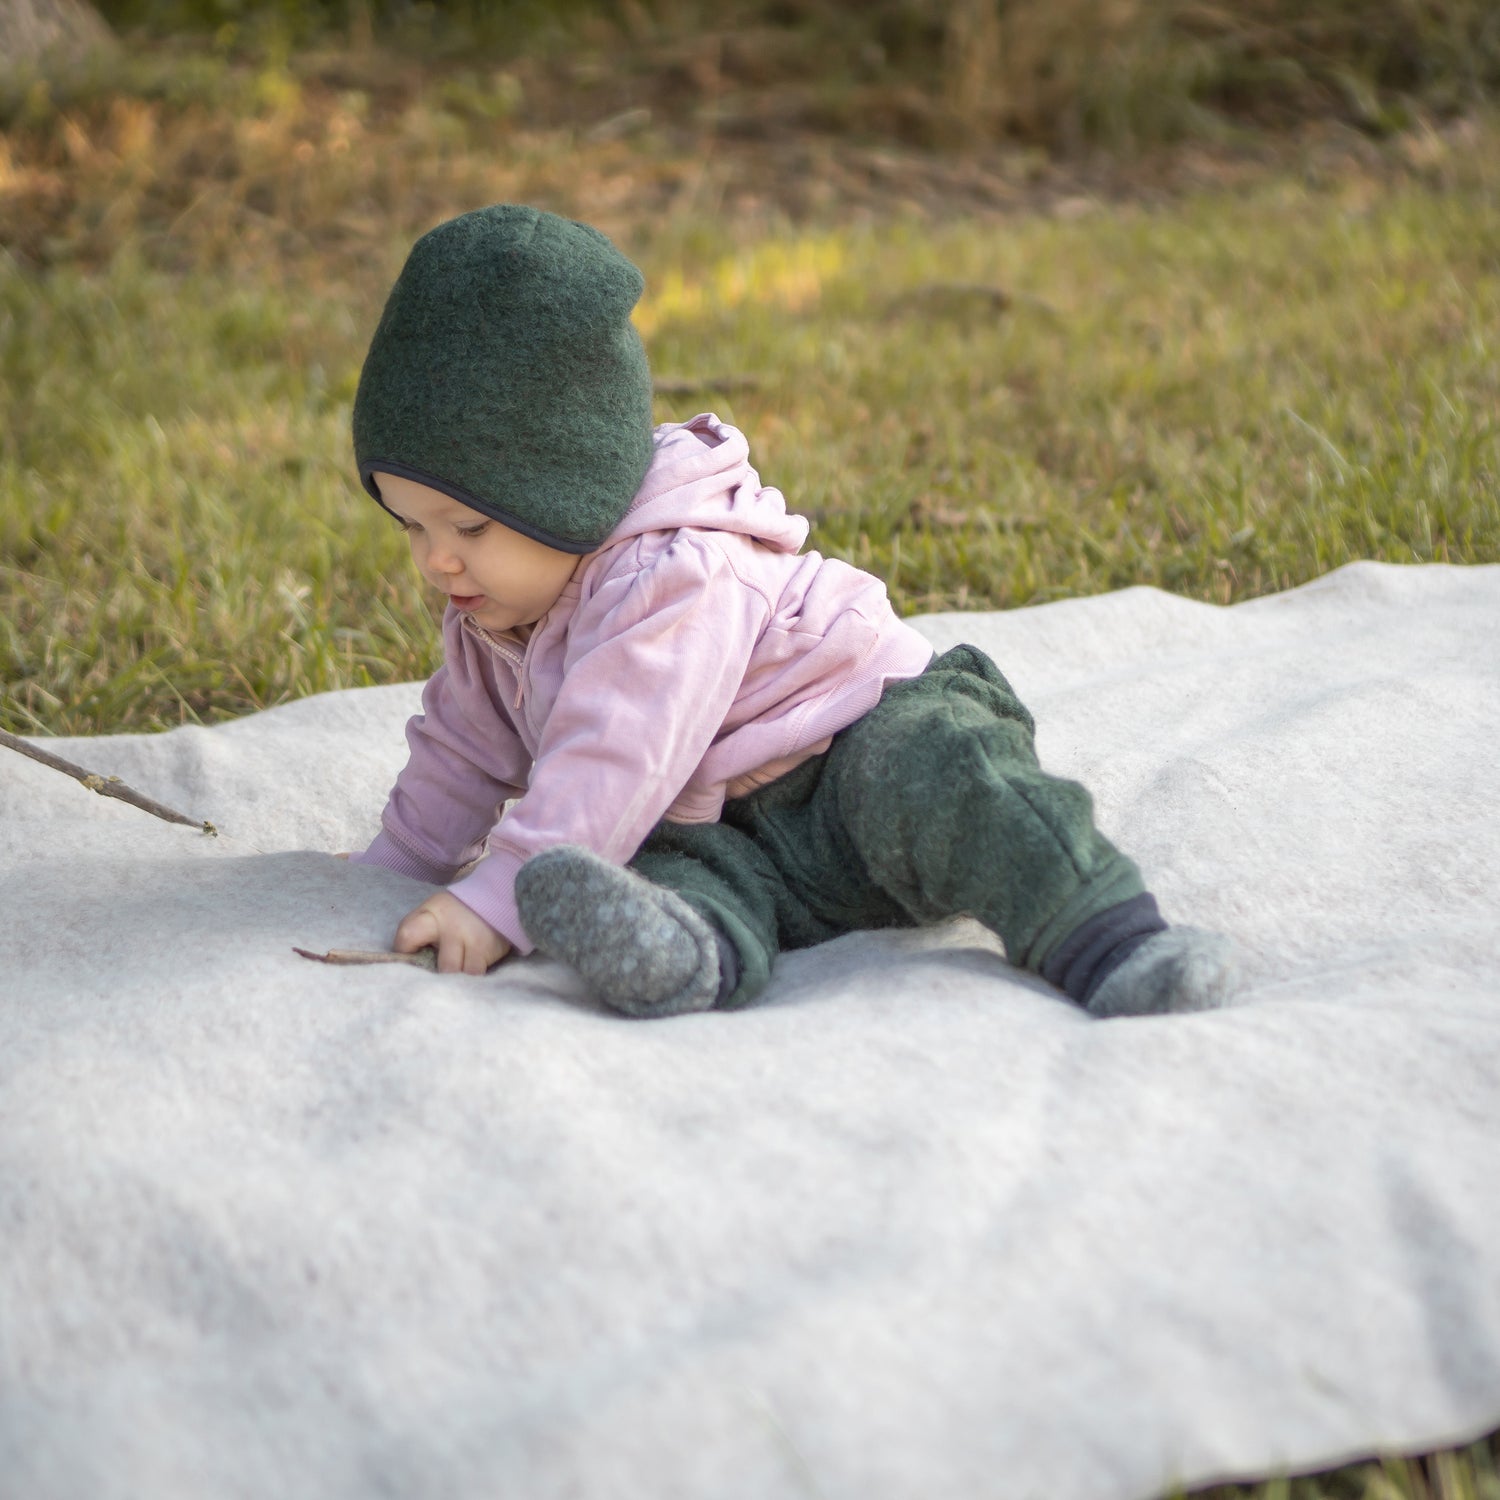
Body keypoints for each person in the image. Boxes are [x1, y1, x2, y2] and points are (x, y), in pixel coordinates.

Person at [348, 203, 1238, 1019]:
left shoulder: (677, 568)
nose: (438, 559)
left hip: (852, 746)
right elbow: (464, 748)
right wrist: (400, 868)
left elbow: (617, 747)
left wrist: (502, 891)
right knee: (663, 863)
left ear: (566, 489)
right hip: (721, 821)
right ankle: (680, 952)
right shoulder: (490, 612)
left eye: (468, 523)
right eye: (411, 526)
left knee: (950, 781)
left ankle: (1111, 941)